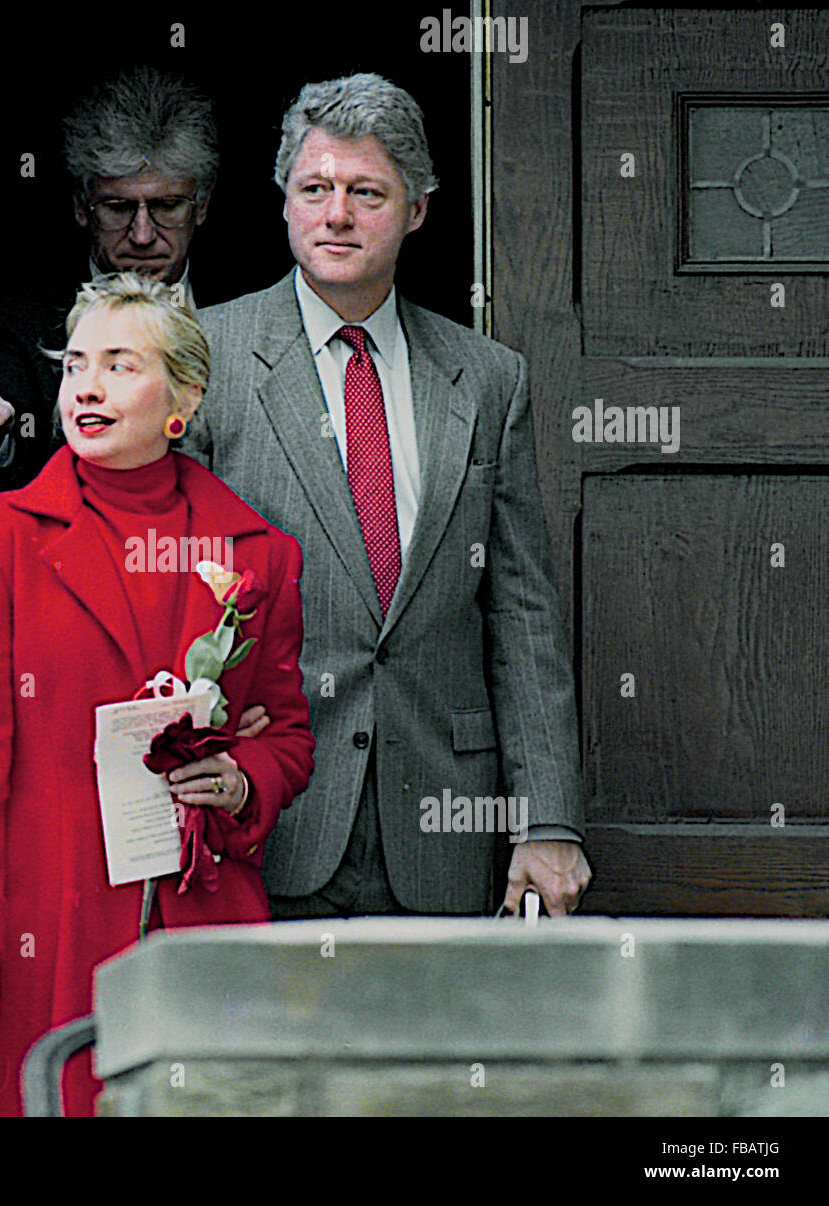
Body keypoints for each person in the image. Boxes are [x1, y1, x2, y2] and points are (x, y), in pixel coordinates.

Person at [182, 73, 591, 920]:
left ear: (417, 209)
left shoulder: (486, 379)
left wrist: (547, 817)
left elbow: (521, 610)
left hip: (447, 822)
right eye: (315, 190)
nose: (336, 215)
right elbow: (160, 586)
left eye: (366, 193)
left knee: (439, 1057)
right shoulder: (207, 356)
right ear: (285, 203)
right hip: (265, 811)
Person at [0, 273, 315, 1117]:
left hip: (196, 923)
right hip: (33, 929)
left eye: (121, 365)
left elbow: (287, 737)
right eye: (75, 365)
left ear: (185, 398)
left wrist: (244, 780)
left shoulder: (260, 555)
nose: (86, 386)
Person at [0, 65, 219, 494]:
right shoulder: (14, 320)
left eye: (167, 205)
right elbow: (20, 461)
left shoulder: (251, 309)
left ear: (201, 206)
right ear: (81, 208)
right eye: (118, 207)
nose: (143, 235)